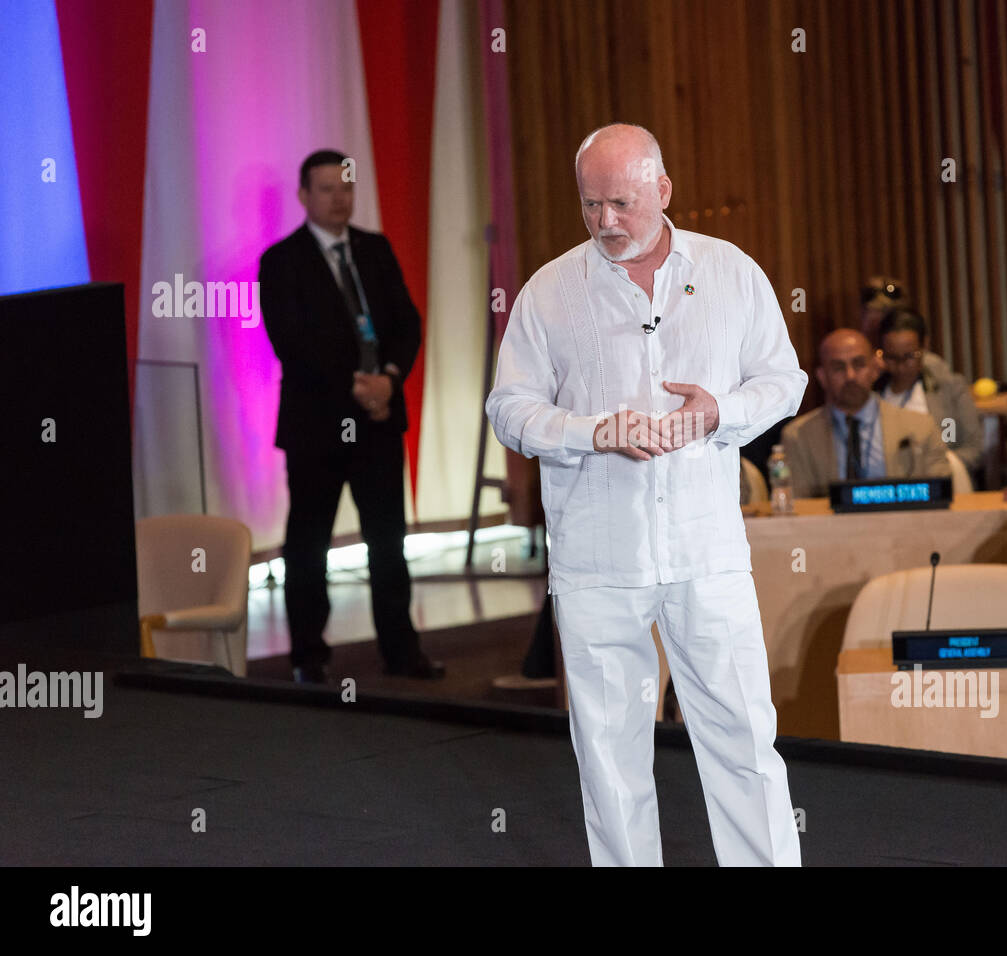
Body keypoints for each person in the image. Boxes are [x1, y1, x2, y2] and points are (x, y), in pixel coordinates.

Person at [485, 124, 805, 866]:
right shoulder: (550, 291)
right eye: (591, 205)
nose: (606, 223)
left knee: (744, 739)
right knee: (609, 755)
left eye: (622, 204)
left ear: (663, 191)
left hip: (706, 553)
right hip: (598, 559)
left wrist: (718, 411)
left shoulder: (730, 271)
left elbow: (784, 381)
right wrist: (592, 432)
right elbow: (510, 408)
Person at [259, 149, 440, 683]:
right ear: (303, 196)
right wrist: (355, 389)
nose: (339, 199)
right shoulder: (281, 261)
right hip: (317, 425)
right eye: (327, 189)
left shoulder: (374, 249)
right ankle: (308, 655)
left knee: (388, 540)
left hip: (379, 419)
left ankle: (401, 652)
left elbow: (407, 323)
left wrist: (387, 378)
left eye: (346, 188)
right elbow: (291, 343)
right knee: (308, 543)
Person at [780, 328, 949, 498]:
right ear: (822, 377)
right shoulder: (798, 436)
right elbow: (796, 508)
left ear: (875, 369)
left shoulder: (920, 427)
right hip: (829, 524)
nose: (850, 376)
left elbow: (940, 495)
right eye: (838, 368)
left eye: (859, 364)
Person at [874, 307, 982, 477]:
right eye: (892, 358)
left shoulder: (949, 388)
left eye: (909, 356)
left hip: (943, 480)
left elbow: (974, 448)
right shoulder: (873, 395)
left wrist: (944, 470)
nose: (901, 366)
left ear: (925, 345)